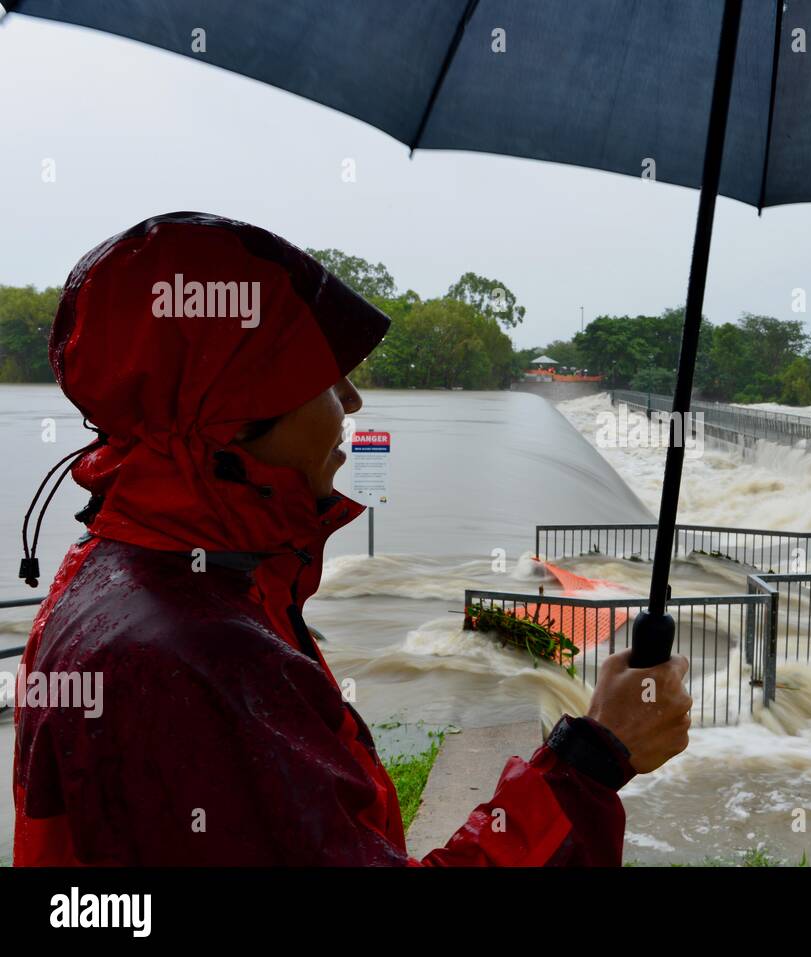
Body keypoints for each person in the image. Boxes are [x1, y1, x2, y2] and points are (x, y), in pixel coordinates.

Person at [11, 211, 690, 866]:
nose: (353, 400)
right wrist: (594, 760)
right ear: (231, 415)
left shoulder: (121, 571)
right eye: (322, 379)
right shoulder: (202, 660)